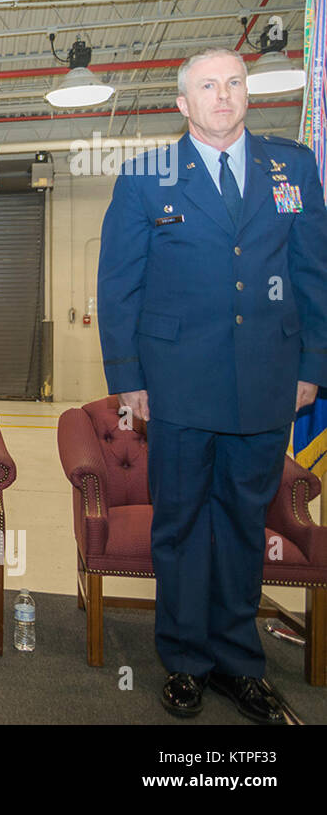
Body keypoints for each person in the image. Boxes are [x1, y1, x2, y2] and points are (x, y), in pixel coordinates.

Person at [98, 46, 327, 723]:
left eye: (233, 83)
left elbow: (315, 273)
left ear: (246, 93)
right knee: (181, 525)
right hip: (177, 386)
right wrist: (128, 380)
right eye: (207, 86)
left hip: (267, 381)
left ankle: (238, 661)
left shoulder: (293, 166)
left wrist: (314, 363)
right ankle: (186, 659)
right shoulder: (146, 176)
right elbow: (119, 287)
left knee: (241, 526)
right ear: (183, 103)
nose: (222, 96)